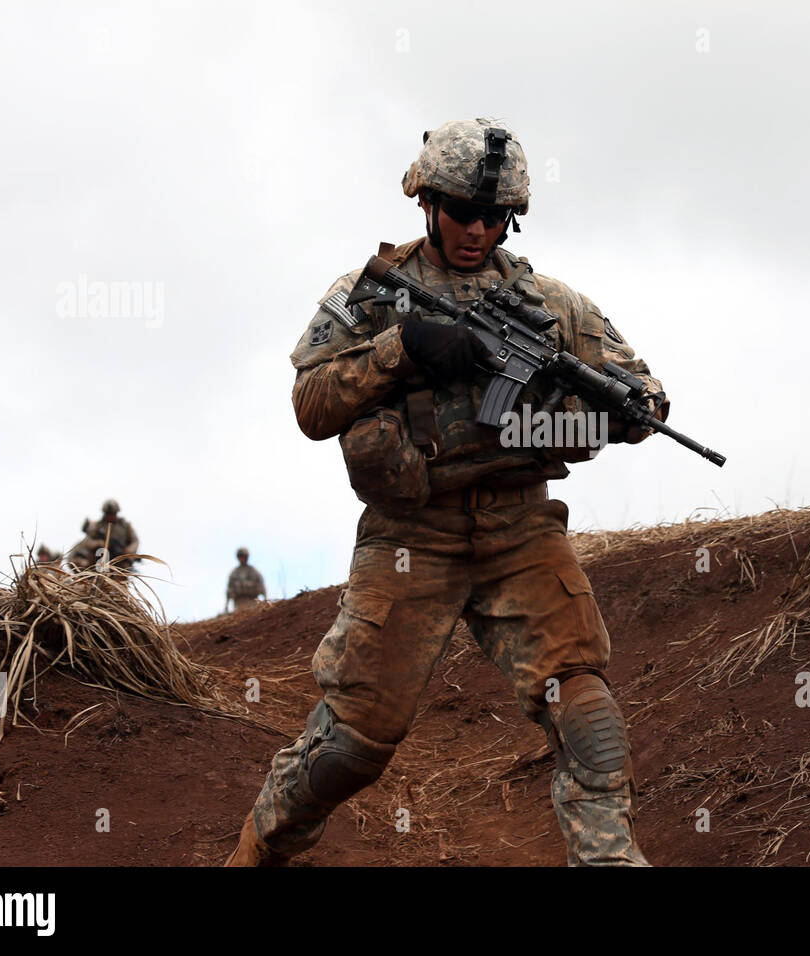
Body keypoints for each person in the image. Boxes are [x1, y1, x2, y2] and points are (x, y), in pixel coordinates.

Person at [226, 119, 668, 867]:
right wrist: (402, 349)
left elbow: (646, 397)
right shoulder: (370, 295)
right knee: (350, 749)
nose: (478, 229)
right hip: (410, 536)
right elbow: (312, 405)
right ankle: (255, 856)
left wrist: (599, 418)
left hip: (520, 530)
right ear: (426, 202)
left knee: (588, 718)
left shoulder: (553, 306)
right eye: (463, 211)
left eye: (496, 217)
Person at [69, 499, 140, 571]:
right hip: (99, 560)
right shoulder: (97, 526)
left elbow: (135, 541)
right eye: (108, 514)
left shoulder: (125, 526)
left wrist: (128, 550)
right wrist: (98, 543)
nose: (110, 516)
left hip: (119, 561)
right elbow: (88, 542)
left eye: (113, 514)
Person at [226, 547, 266, 611]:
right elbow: (229, 590)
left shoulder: (253, 571)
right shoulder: (234, 573)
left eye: (244, 556)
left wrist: (265, 601)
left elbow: (262, 586)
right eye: (240, 556)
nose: (242, 558)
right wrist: (226, 605)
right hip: (239, 603)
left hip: (252, 601)